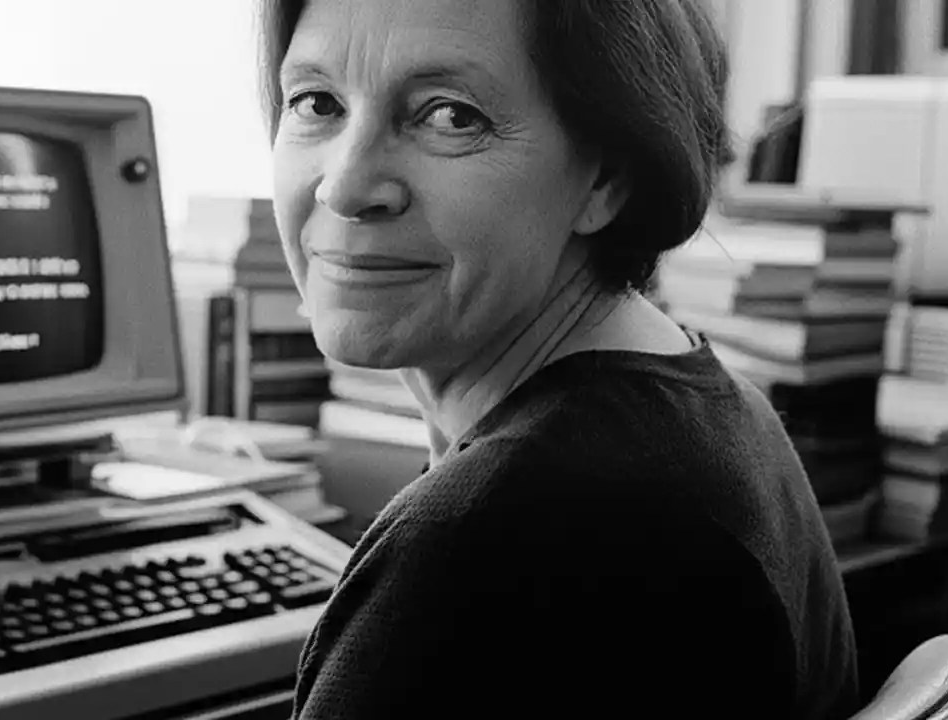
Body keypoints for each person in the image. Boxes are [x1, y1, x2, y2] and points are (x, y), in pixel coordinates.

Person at [258, 0, 861, 718]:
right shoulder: (710, 405)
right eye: (317, 102)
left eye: (450, 116)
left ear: (605, 176)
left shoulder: (487, 543)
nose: (345, 185)